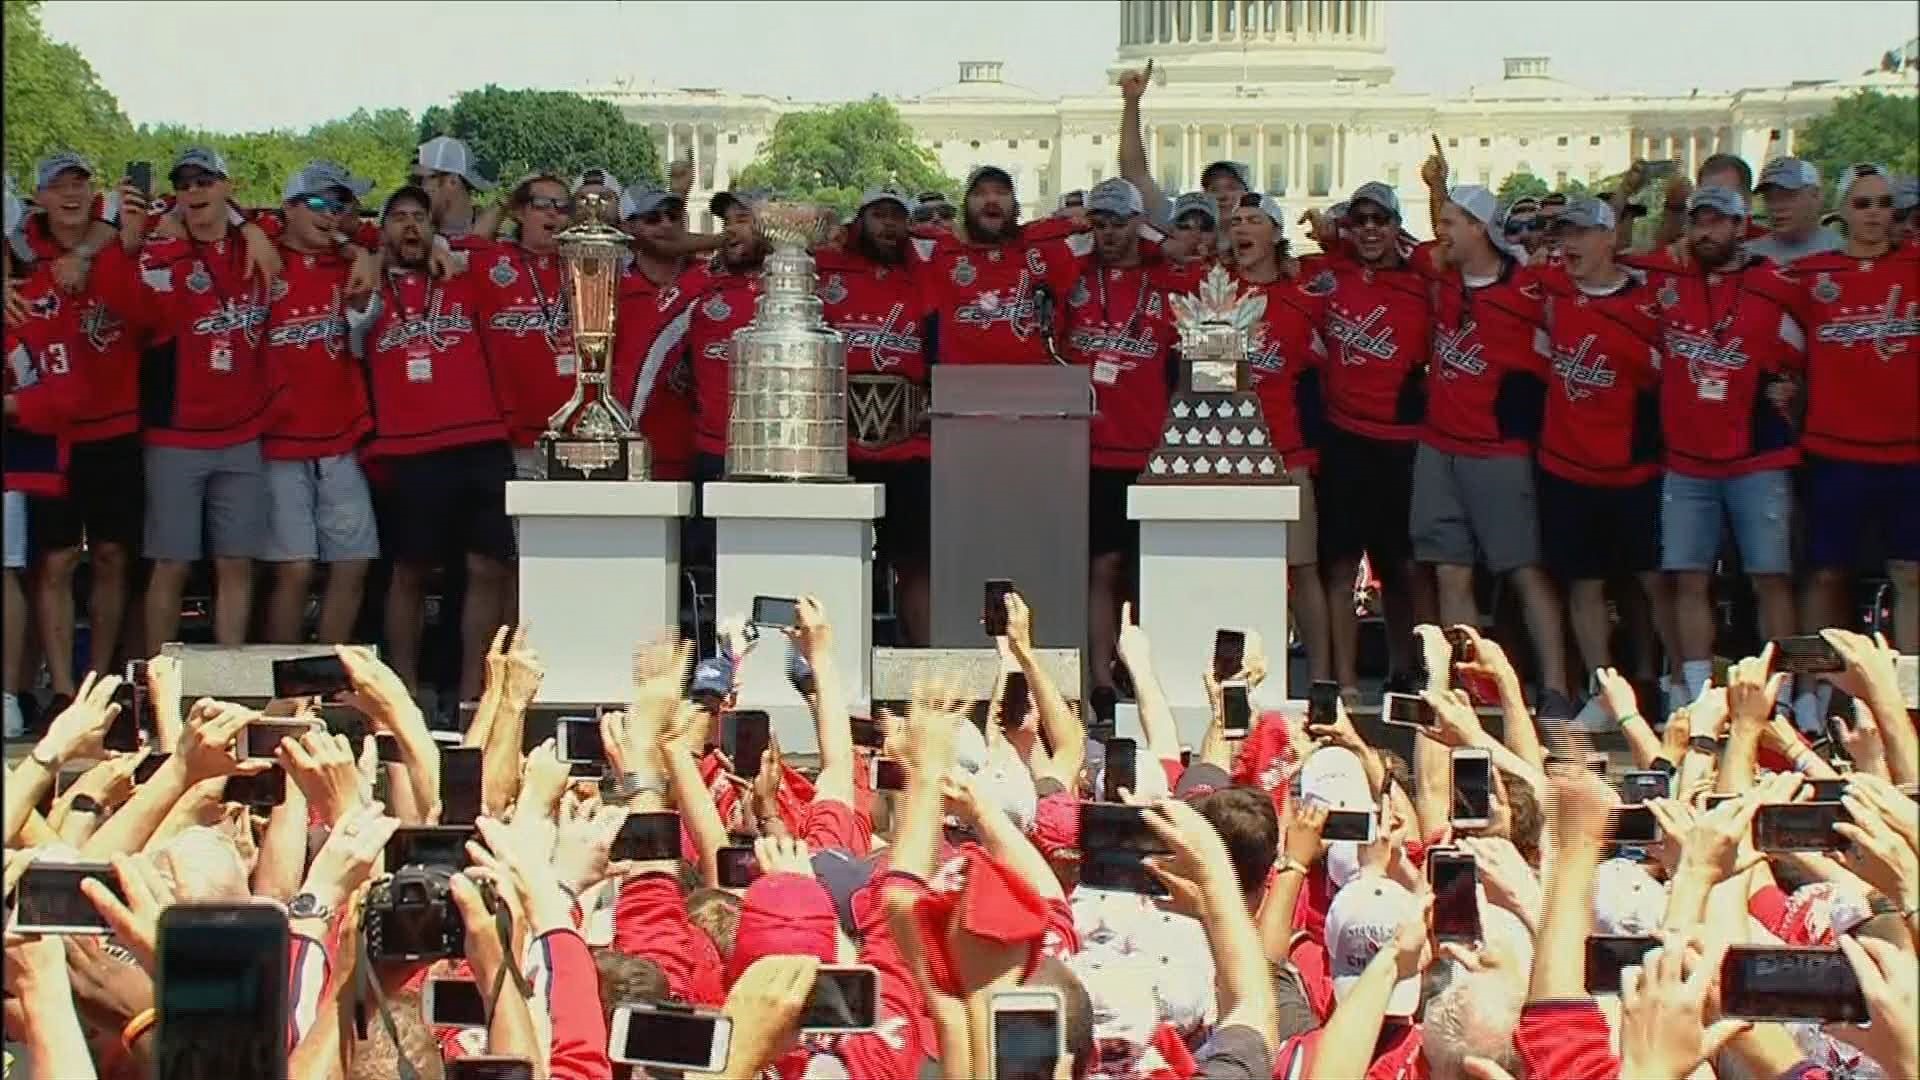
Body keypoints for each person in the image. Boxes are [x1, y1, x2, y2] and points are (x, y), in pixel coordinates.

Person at [346, 185, 514, 699]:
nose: (410, 227)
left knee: (487, 566)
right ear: (382, 228)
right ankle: (405, 689)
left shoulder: (462, 275)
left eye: (419, 217)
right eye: (398, 218)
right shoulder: (364, 283)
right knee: (411, 570)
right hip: (409, 446)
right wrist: (368, 254)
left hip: (480, 437)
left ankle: (470, 692)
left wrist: (453, 245)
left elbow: (494, 239)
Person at [1650, 186, 1806, 702]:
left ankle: (1783, 696)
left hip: (1758, 457)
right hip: (1686, 460)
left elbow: (1813, 347)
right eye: (1699, 222)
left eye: (1719, 222)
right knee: (1687, 579)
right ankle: (1696, 697)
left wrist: (1789, 384)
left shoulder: (1775, 283)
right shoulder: (1667, 278)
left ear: (1743, 226)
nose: (1706, 232)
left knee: (1772, 578)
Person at [1418, 185, 1569, 708]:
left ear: (1480, 227)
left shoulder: (1530, 286)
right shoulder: (1441, 279)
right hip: (1440, 444)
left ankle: (1554, 685)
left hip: (1500, 449)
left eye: (1453, 222)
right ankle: (1466, 687)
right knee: (1450, 571)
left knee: (1524, 569)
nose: (1442, 233)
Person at [122, 148, 276, 650]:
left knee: (236, 562)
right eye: (185, 183)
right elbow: (140, 315)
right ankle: (159, 678)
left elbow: (328, 224)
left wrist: (248, 225)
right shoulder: (160, 249)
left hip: (243, 431)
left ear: (227, 186)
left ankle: (231, 675)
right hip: (176, 434)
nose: (195, 191)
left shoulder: (257, 240)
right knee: (171, 562)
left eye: (205, 180)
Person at [13, 153, 146, 715]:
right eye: (57, 185)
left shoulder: (118, 243)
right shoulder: (21, 257)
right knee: (57, 561)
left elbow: (151, 321)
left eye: (79, 183)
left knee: (114, 556)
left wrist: (102, 256)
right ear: (38, 197)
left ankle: (98, 685)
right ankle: (64, 690)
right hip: (52, 433)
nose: (70, 194)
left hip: (118, 426)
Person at [1057, 178, 1199, 702]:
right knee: (1102, 563)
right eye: (1101, 223)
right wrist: (1073, 231)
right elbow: (1033, 246)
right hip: (1088, 445)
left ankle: (1141, 670)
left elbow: (1206, 264)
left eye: (1120, 222)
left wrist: (1156, 238)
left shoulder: (1169, 280)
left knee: (1146, 568)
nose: (1110, 234)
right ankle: (1098, 674)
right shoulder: (1074, 274)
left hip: (1151, 445)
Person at [1535, 197, 1676, 684]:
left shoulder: (1648, 300)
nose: (1568, 244)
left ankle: (1671, 682)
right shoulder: (1550, 294)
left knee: (1653, 581)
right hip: (1567, 466)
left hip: (1634, 467)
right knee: (1584, 583)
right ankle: (1603, 687)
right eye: (1563, 234)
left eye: (1580, 234)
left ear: (1608, 238)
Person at [1788, 163, 1919, 652]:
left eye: (1885, 204)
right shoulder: (1810, 274)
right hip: (1835, 449)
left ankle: (1908, 699)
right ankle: (1816, 695)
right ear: (1842, 210)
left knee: (1910, 572)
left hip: (1908, 450)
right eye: (1863, 203)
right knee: (1825, 573)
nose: (1875, 214)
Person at [1312, 180, 1435, 697]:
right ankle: (1343, 681)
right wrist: (1331, 236)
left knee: (1403, 567)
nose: (1368, 230)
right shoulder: (1328, 276)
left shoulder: (1420, 280)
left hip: (1401, 441)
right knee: (1339, 565)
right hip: (1342, 439)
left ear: (1395, 226)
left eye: (1378, 220)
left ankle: (1409, 671)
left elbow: (1443, 254)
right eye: (1358, 220)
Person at [256, 163, 378, 645]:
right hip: (277, 439)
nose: (333, 217)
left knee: (352, 561)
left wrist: (360, 248)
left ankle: (325, 676)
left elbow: (411, 230)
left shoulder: (350, 262)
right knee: (295, 568)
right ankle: (280, 683)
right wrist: (256, 229)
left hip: (339, 435)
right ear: (289, 207)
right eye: (321, 204)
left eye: (341, 206)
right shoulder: (259, 255)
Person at [814, 188, 937, 646]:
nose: (888, 225)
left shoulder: (921, 271)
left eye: (896, 217)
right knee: (838, 558)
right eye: (878, 215)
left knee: (917, 561)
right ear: (860, 220)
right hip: (839, 448)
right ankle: (838, 661)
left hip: (908, 445)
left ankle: (923, 665)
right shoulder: (827, 266)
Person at [1225, 192, 1332, 686]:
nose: (1239, 228)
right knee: (1240, 574)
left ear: (1274, 233)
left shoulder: (1303, 296)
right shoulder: (1215, 293)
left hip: (1287, 451)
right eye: (1235, 221)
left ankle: (1324, 680)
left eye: (1252, 220)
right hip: (1229, 458)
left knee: (1302, 568)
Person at [472, 172, 579, 479]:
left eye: (561, 206)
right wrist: (504, 201)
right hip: (516, 432)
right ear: (519, 212)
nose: (552, 213)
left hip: (578, 429)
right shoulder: (494, 260)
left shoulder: (584, 264)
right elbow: (468, 245)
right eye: (541, 204)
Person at [611, 183, 700, 483]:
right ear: (627, 227)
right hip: (633, 447)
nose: (666, 225)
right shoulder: (609, 286)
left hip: (705, 453)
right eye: (652, 218)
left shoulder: (712, 277)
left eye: (673, 215)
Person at [1748, 157, 1843, 267]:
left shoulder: (1846, 252)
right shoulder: (1747, 258)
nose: (1776, 206)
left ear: (1816, 195)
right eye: (1769, 198)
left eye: (1787, 196)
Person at [415, 135, 496, 248]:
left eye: (421, 180)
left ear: (452, 181)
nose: (416, 190)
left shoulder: (498, 244)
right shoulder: (411, 242)